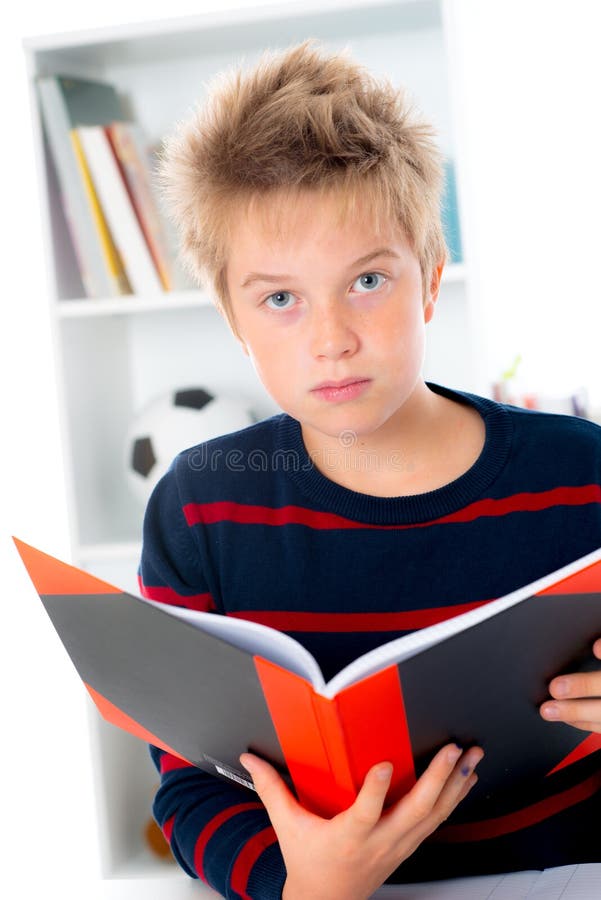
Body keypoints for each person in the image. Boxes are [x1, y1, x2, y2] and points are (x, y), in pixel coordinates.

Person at [138, 39, 601, 900]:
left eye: (366, 282)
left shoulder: (583, 474)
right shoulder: (199, 506)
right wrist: (303, 883)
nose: (330, 339)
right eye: (280, 298)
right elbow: (190, 779)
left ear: (427, 280)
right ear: (233, 316)